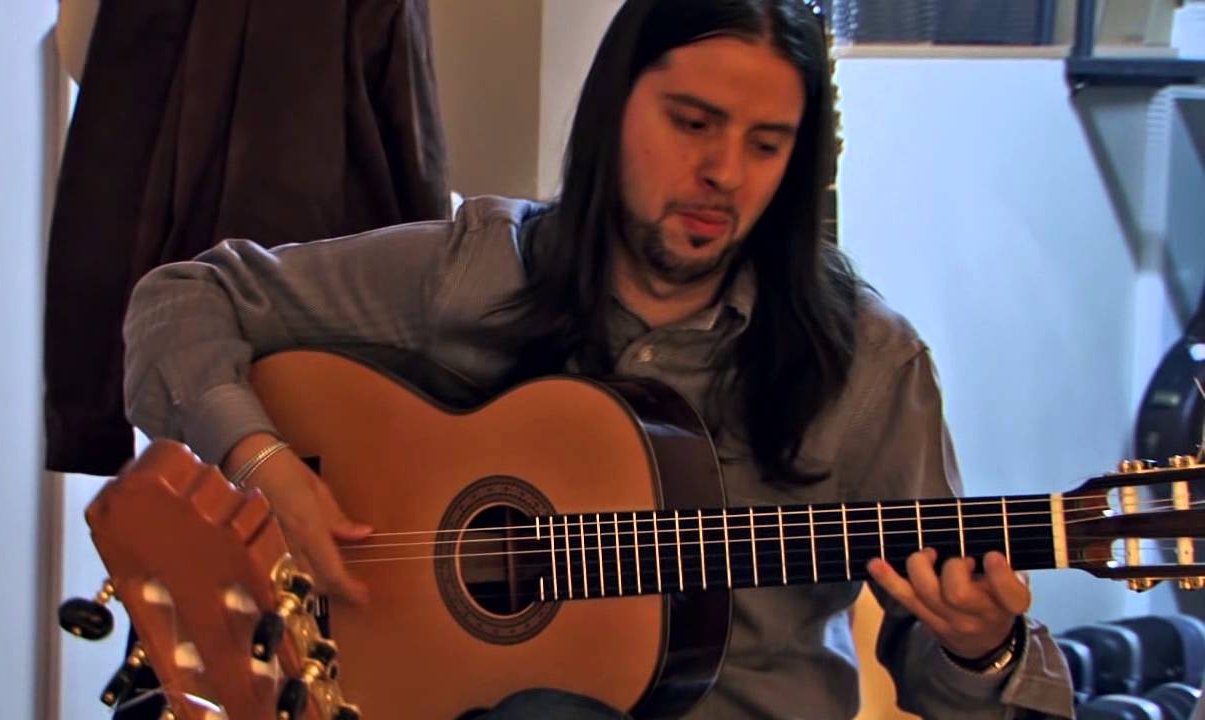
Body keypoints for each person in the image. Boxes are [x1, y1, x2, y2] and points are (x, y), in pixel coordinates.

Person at [121, 0, 1076, 717]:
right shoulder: (474, 272)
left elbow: (946, 672)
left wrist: (981, 647)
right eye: (692, 124)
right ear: (615, 109)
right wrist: (265, 463)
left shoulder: (869, 363)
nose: (725, 173)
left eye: (766, 143)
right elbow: (182, 300)